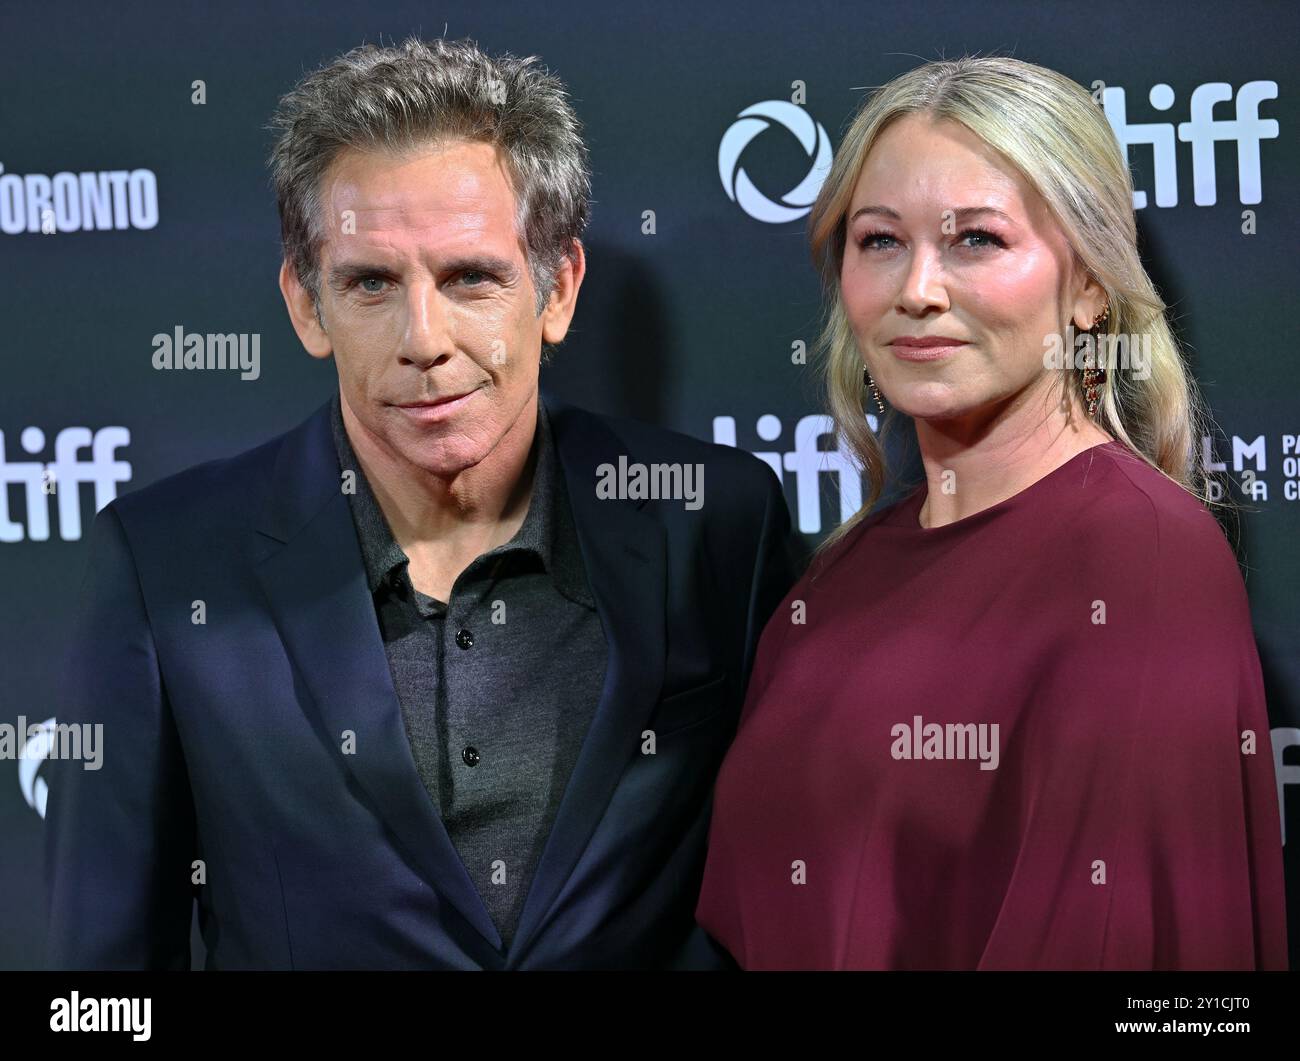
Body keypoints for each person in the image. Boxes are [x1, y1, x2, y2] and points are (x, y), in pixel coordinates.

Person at [45, 37, 798, 970]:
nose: (425, 340)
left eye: (470, 277)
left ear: (556, 289)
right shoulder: (168, 565)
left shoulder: (715, 522)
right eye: (371, 283)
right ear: (307, 305)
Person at [695, 55, 1288, 970]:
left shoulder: (1141, 558)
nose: (917, 290)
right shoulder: (844, 575)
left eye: (976, 239)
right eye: (880, 240)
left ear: (1090, 286)